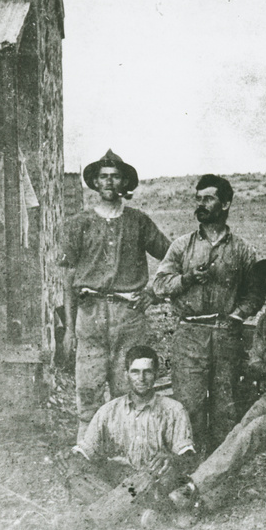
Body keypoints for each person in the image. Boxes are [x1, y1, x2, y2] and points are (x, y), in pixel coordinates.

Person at [166, 245, 266, 519]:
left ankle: (192, 487)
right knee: (239, 430)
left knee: (254, 432)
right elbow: (254, 365)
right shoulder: (265, 319)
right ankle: (208, 499)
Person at [60, 150, 170, 442]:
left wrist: (153, 292)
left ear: (125, 183)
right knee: (88, 390)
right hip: (90, 316)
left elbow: (172, 258)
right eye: (103, 177)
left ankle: (130, 451)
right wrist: (70, 328)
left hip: (129, 318)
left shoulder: (138, 221)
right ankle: (88, 451)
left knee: (130, 388)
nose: (109, 182)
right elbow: (69, 278)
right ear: (95, 183)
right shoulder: (78, 224)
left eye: (116, 177)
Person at [153, 174, 260, 456]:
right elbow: (159, 284)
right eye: (198, 199)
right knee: (190, 405)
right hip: (189, 335)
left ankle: (219, 476)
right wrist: (186, 279)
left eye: (208, 199)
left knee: (226, 406)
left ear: (225, 204)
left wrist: (238, 315)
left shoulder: (243, 250)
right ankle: (191, 471)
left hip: (226, 335)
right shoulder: (181, 246)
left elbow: (255, 293)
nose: (201, 204)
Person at [53, 346, 196, 530]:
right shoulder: (109, 411)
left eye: (147, 372)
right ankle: (139, 515)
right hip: (118, 483)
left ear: (156, 374)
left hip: (153, 483)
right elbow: (85, 452)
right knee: (72, 471)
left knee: (149, 474)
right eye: (135, 372)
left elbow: (188, 458)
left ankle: (84, 521)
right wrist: (69, 457)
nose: (141, 378)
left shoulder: (173, 409)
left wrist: (171, 458)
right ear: (126, 374)